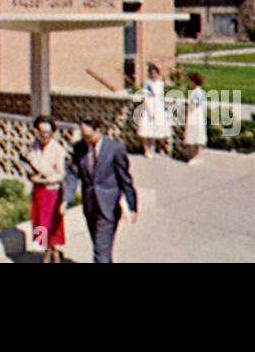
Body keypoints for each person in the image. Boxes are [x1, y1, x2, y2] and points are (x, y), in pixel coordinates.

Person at [60, 115, 138, 263]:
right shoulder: (80, 147)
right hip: (90, 206)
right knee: (101, 248)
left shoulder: (115, 148)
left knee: (101, 252)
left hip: (108, 206)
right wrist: (66, 199)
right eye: (83, 136)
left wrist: (132, 206)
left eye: (88, 136)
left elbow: (125, 179)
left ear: (98, 131)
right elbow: (73, 174)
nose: (86, 139)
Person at [24, 114, 67, 263]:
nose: (44, 136)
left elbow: (62, 174)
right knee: (39, 221)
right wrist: (32, 176)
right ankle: (48, 251)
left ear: (53, 132)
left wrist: (46, 179)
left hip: (52, 191)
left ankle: (51, 254)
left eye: (47, 133)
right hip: (38, 190)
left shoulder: (58, 149)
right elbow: (30, 166)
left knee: (50, 223)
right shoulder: (34, 146)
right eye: (41, 132)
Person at [138, 63, 169, 157]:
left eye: (155, 73)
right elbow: (145, 98)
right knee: (146, 127)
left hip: (158, 107)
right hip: (149, 106)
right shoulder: (147, 84)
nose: (153, 75)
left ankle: (152, 148)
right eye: (151, 73)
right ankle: (146, 149)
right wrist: (150, 111)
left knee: (154, 129)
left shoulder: (160, 84)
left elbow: (161, 96)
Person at [184, 71, 207, 164]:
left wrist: (186, 106)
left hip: (196, 115)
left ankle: (196, 156)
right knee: (193, 133)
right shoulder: (194, 91)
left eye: (190, 81)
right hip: (193, 114)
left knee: (196, 133)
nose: (189, 83)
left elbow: (193, 105)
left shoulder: (198, 92)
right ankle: (194, 155)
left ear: (194, 81)